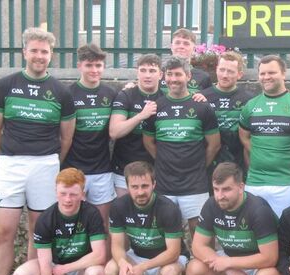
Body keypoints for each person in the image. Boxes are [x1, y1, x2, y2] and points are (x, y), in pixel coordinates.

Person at [0, 27, 76, 275]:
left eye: (44, 52)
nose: (39, 56)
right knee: (3, 232)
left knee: (39, 231)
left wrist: (49, 162)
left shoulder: (60, 91)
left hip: (45, 165)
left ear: (51, 55)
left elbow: (66, 138)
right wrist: (8, 155)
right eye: (34, 50)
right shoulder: (7, 85)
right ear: (24, 52)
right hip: (11, 163)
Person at [186, 163, 285, 275]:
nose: (220, 196)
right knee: (194, 269)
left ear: (241, 187)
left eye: (226, 189)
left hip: (261, 263)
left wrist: (227, 263)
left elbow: (270, 258)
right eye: (216, 189)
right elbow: (198, 246)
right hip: (230, 259)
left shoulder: (258, 209)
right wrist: (229, 269)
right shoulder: (211, 205)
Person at [12, 168, 106, 275]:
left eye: (73, 194)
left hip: (82, 267)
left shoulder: (92, 213)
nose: (68, 199)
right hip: (54, 266)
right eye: (63, 193)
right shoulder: (45, 219)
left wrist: (67, 268)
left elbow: (99, 255)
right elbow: (44, 265)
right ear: (55, 191)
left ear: (82, 194)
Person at [142, 56, 221, 232]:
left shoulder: (202, 107)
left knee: (199, 233)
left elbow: (214, 145)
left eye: (178, 74)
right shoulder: (156, 107)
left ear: (188, 76)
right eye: (169, 74)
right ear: (164, 77)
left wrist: (199, 165)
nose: (173, 79)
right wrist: (163, 160)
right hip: (164, 183)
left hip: (195, 183)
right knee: (166, 232)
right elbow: (148, 141)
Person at [105, 161, 187, 275]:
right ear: (127, 187)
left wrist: (141, 268)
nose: (140, 192)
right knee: (111, 270)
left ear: (154, 184)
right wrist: (123, 263)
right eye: (135, 187)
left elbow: (173, 252)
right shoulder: (118, 206)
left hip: (169, 259)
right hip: (137, 255)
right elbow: (117, 245)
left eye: (145, 186)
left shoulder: (168, 208)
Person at [239, 55, 290, 216]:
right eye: (262, 73)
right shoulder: (251, 106)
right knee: (255, 234)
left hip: (288, 183)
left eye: (272, 73)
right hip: (255, 182)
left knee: (285, 233)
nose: (266, 77)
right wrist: (259, 153)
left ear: (283, 74)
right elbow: (244, 137)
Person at [62, 43, 117, 227]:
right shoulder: (68, 94)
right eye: (89, 65)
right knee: (76, 225)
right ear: (79, 66)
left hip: (102, 170)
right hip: (74, 169)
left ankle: (102, 257)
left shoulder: (110, 94)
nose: (94, 70)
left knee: (102, 225)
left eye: (98, 65)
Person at [109, 54, 162, 197]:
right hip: (124, 169)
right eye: (143, 70)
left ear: (161, 74)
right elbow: (114, 132)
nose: (147, 75)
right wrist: (141, 116)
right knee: (123, 212)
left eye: (152, 71)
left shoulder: (166, 97)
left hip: (155, 170)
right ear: (137, 72)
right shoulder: (126, 95)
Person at [200, 51, 255, 179]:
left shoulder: (249, 100)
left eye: (230, 71)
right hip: (210, 157)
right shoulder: (201, 97)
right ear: (216, 70)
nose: (225, 75)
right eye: (222, 70)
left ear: (240, 74)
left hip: (238, 157)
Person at [160, 28, 211, 94]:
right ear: (171, 47)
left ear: (194, 49)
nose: (181, 46)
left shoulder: (203, 77)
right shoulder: (159, 73)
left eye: (186, 44)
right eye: (177, 43)